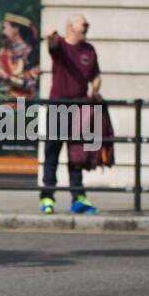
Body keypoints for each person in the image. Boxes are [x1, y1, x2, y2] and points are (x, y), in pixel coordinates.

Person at [40, 14, 101, 214]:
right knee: (52, 153)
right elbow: (52, 45)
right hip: (58, 107)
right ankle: (47, 197)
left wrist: (95, 90)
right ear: (71, 27)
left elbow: (96, 75)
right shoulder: (61, 46)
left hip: (79, 108)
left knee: (77, 156)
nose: (87, 27)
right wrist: (50, 36)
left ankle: (78, 198)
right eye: (84, 24)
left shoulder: (89, 50)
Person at [0, 13, 39, 98]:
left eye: (4, 28)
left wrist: (7, 78)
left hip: (22, 105)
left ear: (16, 29)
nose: (2, 32)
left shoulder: (33, 55)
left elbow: (31, 84)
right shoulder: (1, 52)